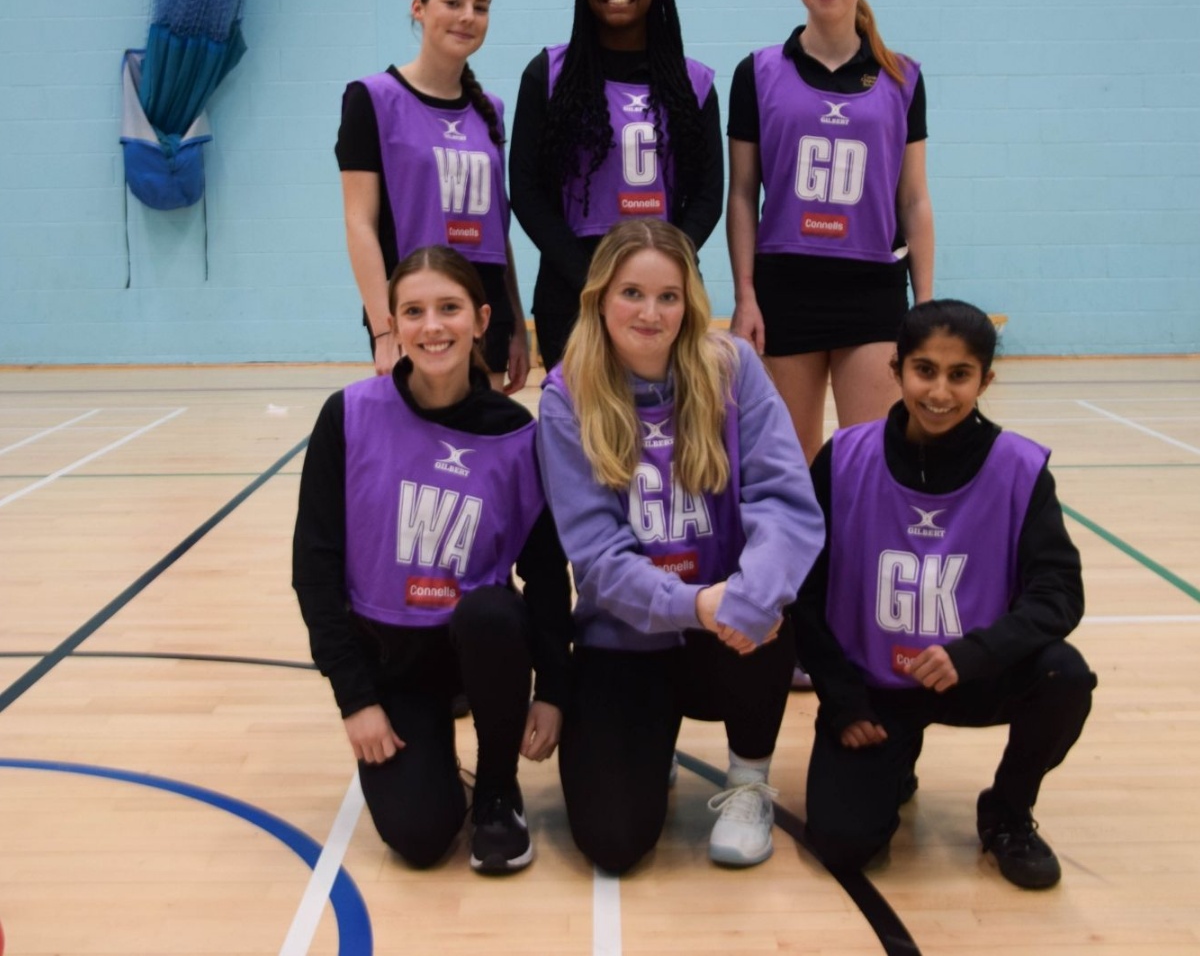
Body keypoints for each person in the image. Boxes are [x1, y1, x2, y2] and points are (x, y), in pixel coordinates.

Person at [537, 219, 824, 873]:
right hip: (628, 636)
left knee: (770, 604)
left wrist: (749, 595)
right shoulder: (566, 396)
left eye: (669, 296)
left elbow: (786, 500)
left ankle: (748, 782)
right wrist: (695, 604)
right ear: (600, 300)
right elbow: (598, 558)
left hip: (727, 633)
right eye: (632, 294)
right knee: (612, 843)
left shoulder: (732, 368)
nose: (651, 312)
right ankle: (649, 739)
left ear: (690, 302)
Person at [793, 300, 1096, 889]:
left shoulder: (1020, 467)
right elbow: (802, 587)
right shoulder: (845, 457)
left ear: (986, 379)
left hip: (971, 675)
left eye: (960, 375)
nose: (939, 391)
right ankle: (893, 761)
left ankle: (1007, 811)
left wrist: (974, 653)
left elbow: (1059, 592)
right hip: (874, 687)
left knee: (1066, 676)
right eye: (924, 370)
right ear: (897, 369)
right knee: (842, 843)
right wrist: (841, 698)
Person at [292, 246, 571, 874]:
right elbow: (313, 569)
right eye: (413, 311)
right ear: (392, 323)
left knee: (495, 614)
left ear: (480, 318)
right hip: (391, 661)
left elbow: (548, 575)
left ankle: (497, 790)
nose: (432, 326)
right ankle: (438, 762)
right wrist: (355, 699)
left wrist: (554, 689)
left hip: (477, 649)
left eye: (449, 308)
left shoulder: (516, 435)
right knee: (419, 840)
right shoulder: (349, 416)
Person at [727, 0, 935, 464]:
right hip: (785, 287)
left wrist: (926, 306)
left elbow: (913, 199)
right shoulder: (757, 72)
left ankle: (855, 553)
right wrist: (745, 294)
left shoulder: (902, 76)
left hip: (872, 286)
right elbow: (744, 194)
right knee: (790, 465)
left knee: (867, 462)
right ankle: (803, 554)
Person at [510, 0, 724, 371]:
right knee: (577, 436)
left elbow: (708, 193)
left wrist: (662, 273)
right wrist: (595, 281)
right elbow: (525, 190)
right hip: (573, 288)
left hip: (665, 288)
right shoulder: (547, 74)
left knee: (666, 434)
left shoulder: (693, 81)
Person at [336, 0, 530, 392]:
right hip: (416, 309)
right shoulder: (372, 98)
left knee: (480, 445)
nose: (467, 17)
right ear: (419, 8)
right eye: (453, 2)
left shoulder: (491, 111)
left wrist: (517, 322)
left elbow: (498, 229)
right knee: (420, 447)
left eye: (481, 7)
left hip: (485, 307)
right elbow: (358, 222)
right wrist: (384, 331)